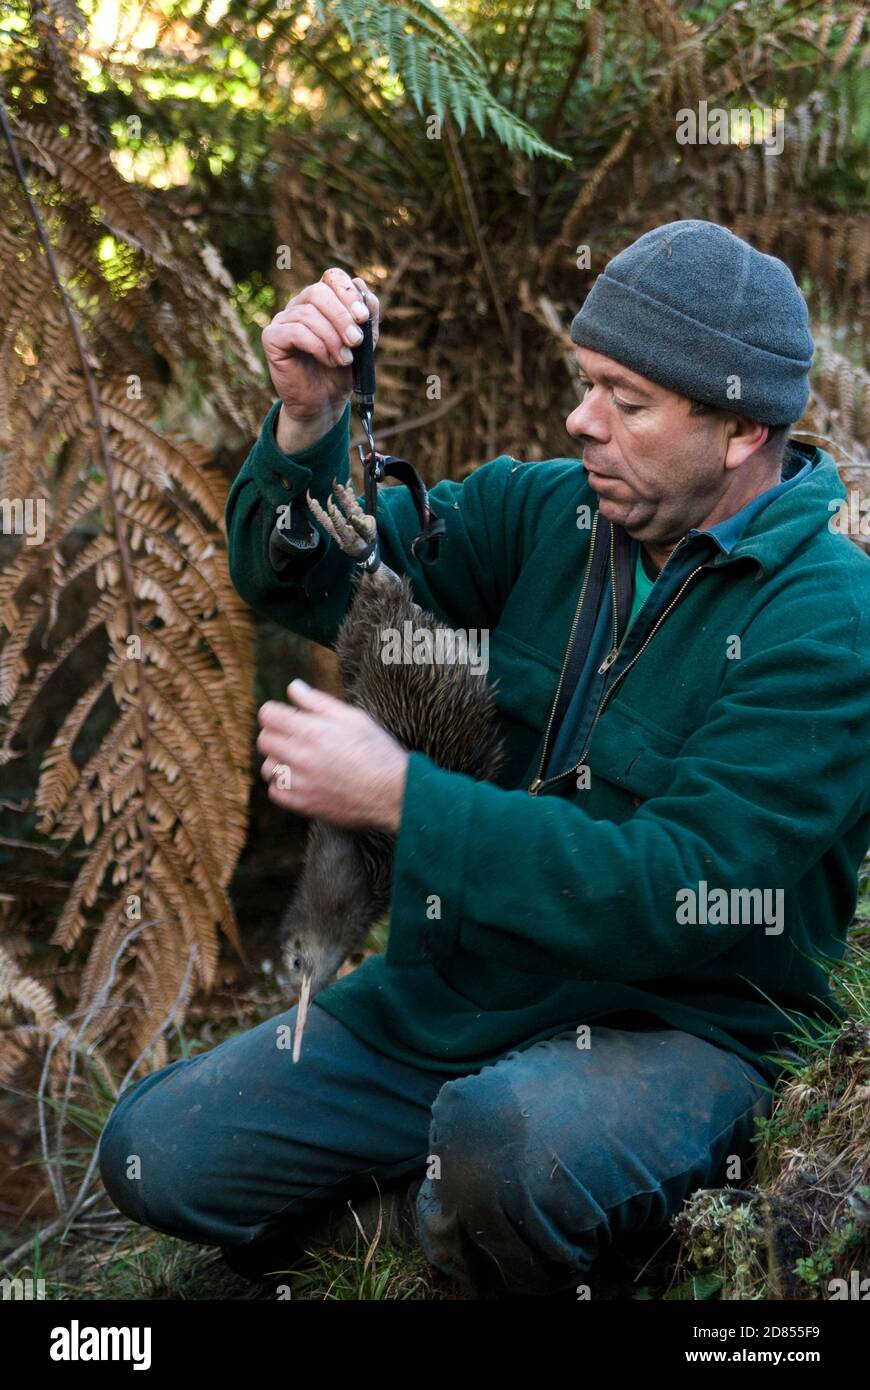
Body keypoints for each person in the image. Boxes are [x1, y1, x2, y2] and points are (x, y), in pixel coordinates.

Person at [99, 220, 870, 1297]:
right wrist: (310, 421)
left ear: (741, 428)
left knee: (509, 1141)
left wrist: (406, 801)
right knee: (158, 1151)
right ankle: (418, 1207)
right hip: (454, 998)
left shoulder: (829, 618)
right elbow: (317, 580)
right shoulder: (551, 512)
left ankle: (484, 1212)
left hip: (682, 1031)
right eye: (585, 383)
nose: (580, 420)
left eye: (625, 400)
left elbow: (679, 887)